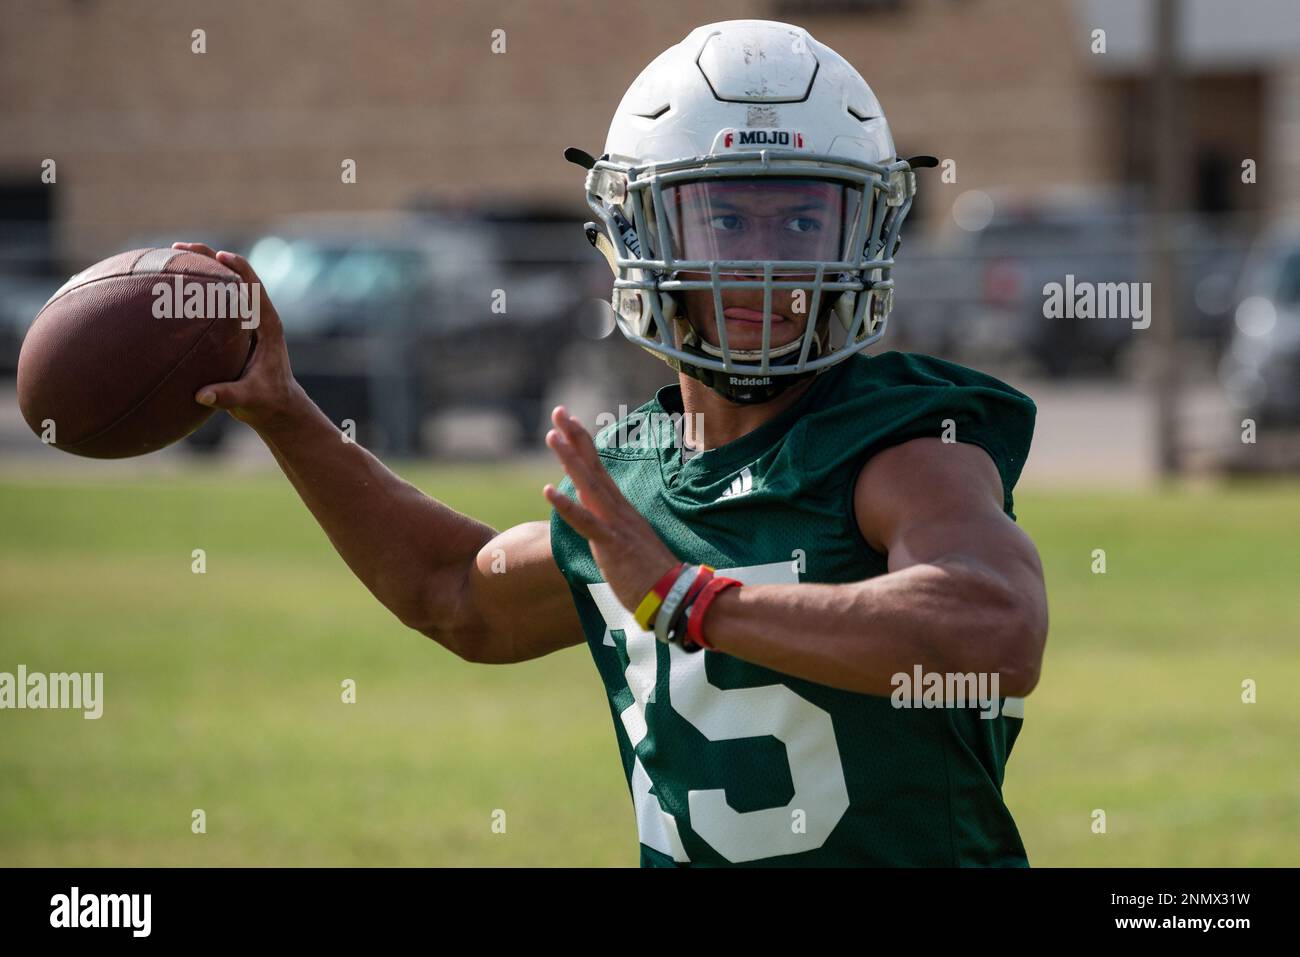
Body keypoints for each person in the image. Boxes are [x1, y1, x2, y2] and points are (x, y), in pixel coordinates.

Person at [176, 18, 1047, 867]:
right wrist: (286, 412)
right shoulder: (633, 481)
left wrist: (691, 601)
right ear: (636, 232)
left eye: (800, 221)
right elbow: (455, 593)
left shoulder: (905, 445)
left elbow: (996, 628)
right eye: (726, 222)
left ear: (867, 233)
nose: (763, 265)